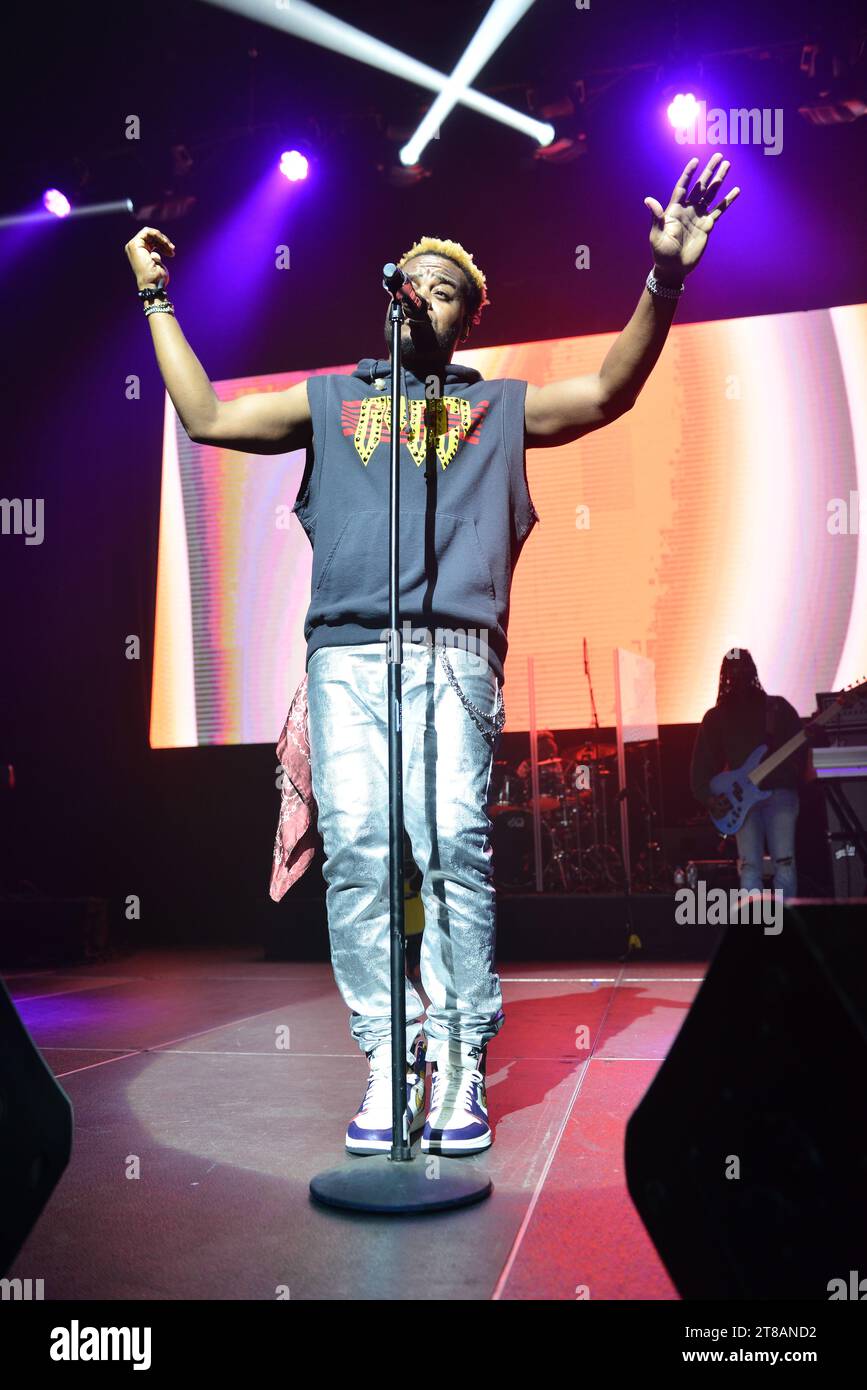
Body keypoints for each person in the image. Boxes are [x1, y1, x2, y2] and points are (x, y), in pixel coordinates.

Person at [125, 153, 740, 1155]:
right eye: (413, 277)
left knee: (452, 845)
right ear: (390, 299)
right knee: (361, 856)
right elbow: (205, 417)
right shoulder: (330, 402)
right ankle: (388, 1053)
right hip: (349, 658)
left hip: (455, 655)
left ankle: (459, 1056)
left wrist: (664, 278)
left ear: (468, 318)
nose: (425, 292)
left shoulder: (496, 408)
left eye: (447, 287)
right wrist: (155, 294)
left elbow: (609, 393)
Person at [690, 649, 808, 899]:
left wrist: (815, 741)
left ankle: (788, 930)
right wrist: (710, 799)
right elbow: (701, 768)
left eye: (743, 670)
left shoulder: (778, 708)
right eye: (733, 672)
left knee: (784, 863)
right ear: (724, 676)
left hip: (780, 793)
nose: (738, 676)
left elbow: (801, 748)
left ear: (752, 671)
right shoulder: (716, 717)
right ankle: (755, 931)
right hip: (743, 800)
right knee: (751, 866)